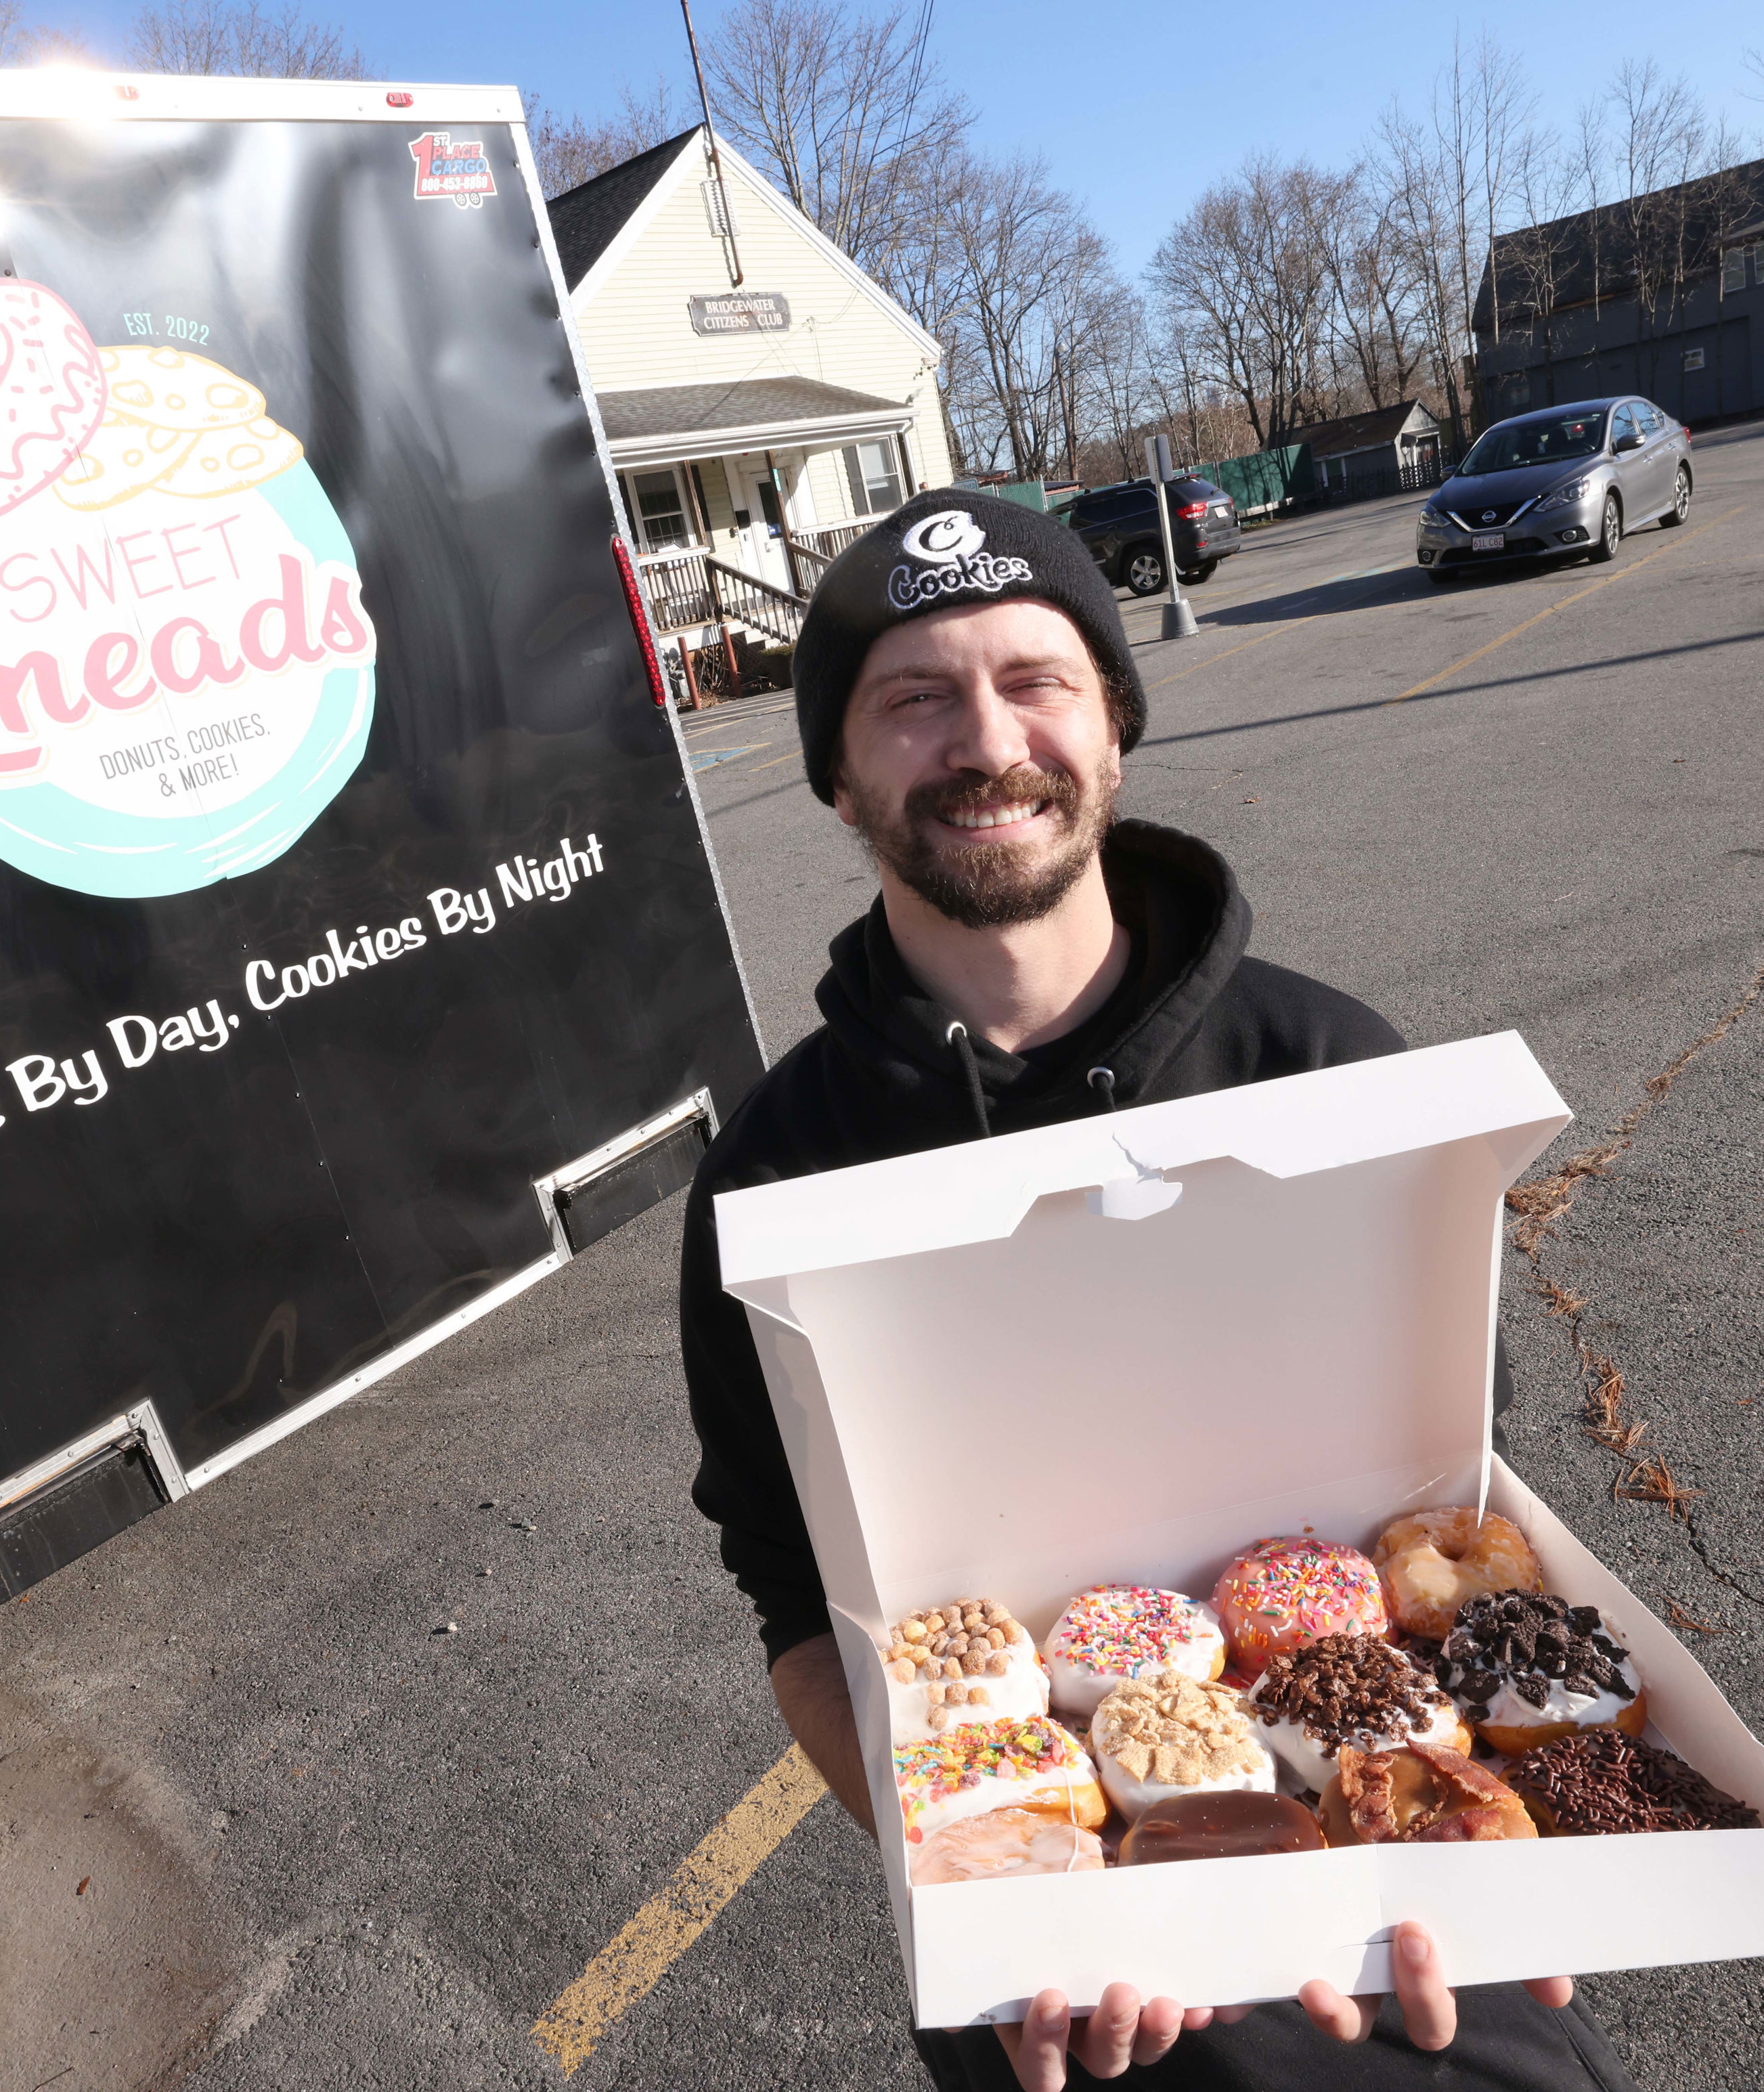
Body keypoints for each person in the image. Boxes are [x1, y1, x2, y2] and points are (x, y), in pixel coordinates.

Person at [678, 492, 1634, 2092]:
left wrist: (1418, 1838)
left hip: (1409, 1934)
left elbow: (1458, 1471)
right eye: (910, 699)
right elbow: (795, 1607)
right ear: (836, 776)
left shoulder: (1330, 1070)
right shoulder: (775, 1182)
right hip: (1056, 1989)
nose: (986, 741)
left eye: (1035, 679)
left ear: (1113, 724)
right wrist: (991, 1871)